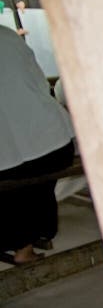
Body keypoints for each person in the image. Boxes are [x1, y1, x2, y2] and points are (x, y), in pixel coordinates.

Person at [0, 25, 75, 264]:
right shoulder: (7, 35)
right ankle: (30, 240)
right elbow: (39, 82)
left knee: (15, 179)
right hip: (52, 141)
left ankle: (23, 243)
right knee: (34, 181)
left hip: (12, 156)